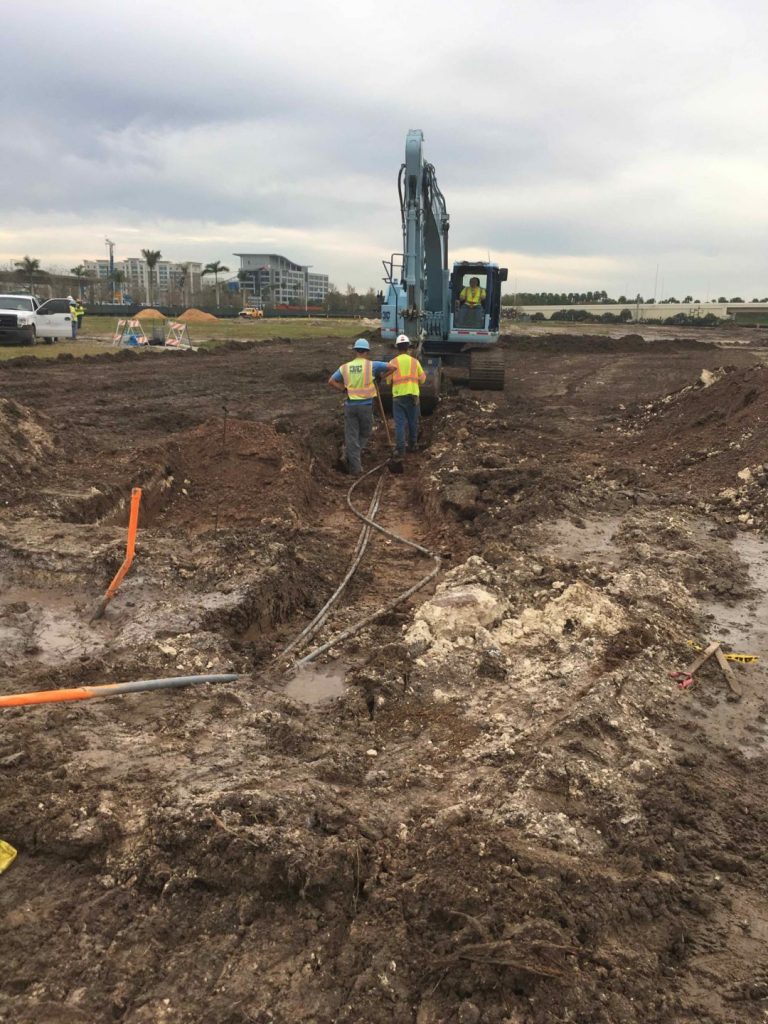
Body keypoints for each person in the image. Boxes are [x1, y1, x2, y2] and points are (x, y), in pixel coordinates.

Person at [328, 339, 389, 475]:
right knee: (365, 432)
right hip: (366, 406)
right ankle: (355, 466)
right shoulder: (372, 365)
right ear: (367, 352)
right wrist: (381, 378)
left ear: (355, 351)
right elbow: (392, 367)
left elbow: (331, 381)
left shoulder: (345, 367)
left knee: (351, 436)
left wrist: (344, 389)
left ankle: (352, 457)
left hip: (350, 406)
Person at [384, 334, 427, 456]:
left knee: (400, 423)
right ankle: (413, 445)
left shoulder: (392, 362)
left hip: (398, 396)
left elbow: (388, 381)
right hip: (413, 395)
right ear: (408, 347)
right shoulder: (415, 362)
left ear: (397, 347)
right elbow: (423, 379)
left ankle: (400, 449)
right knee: (413, 421)